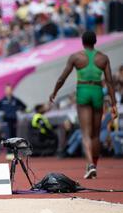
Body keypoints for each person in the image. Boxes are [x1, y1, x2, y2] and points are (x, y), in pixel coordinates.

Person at [49, 31, 118, 179]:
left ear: (82, 42)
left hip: (83, 91)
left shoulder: (76, 57)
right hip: (98, 91)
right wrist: (114, 104)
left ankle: (90, 165)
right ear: (95, 41)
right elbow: (110, 82)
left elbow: (62, 78)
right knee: (96, 134)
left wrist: (54, 92)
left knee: (85, 133)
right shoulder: (103, 58)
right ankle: (94, 165)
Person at [0, 84, 27, 160]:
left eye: (10, 90)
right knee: (8, 137)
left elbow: (24, 106)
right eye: (7, 90)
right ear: (5, 91)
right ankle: (9, 153)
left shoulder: (15, 100)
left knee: (14, 137)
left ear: (12, 91)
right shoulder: (2, 100)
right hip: (6, 121)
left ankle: (15, 153)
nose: (8, 91)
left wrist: (18, 109)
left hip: (14, 120)